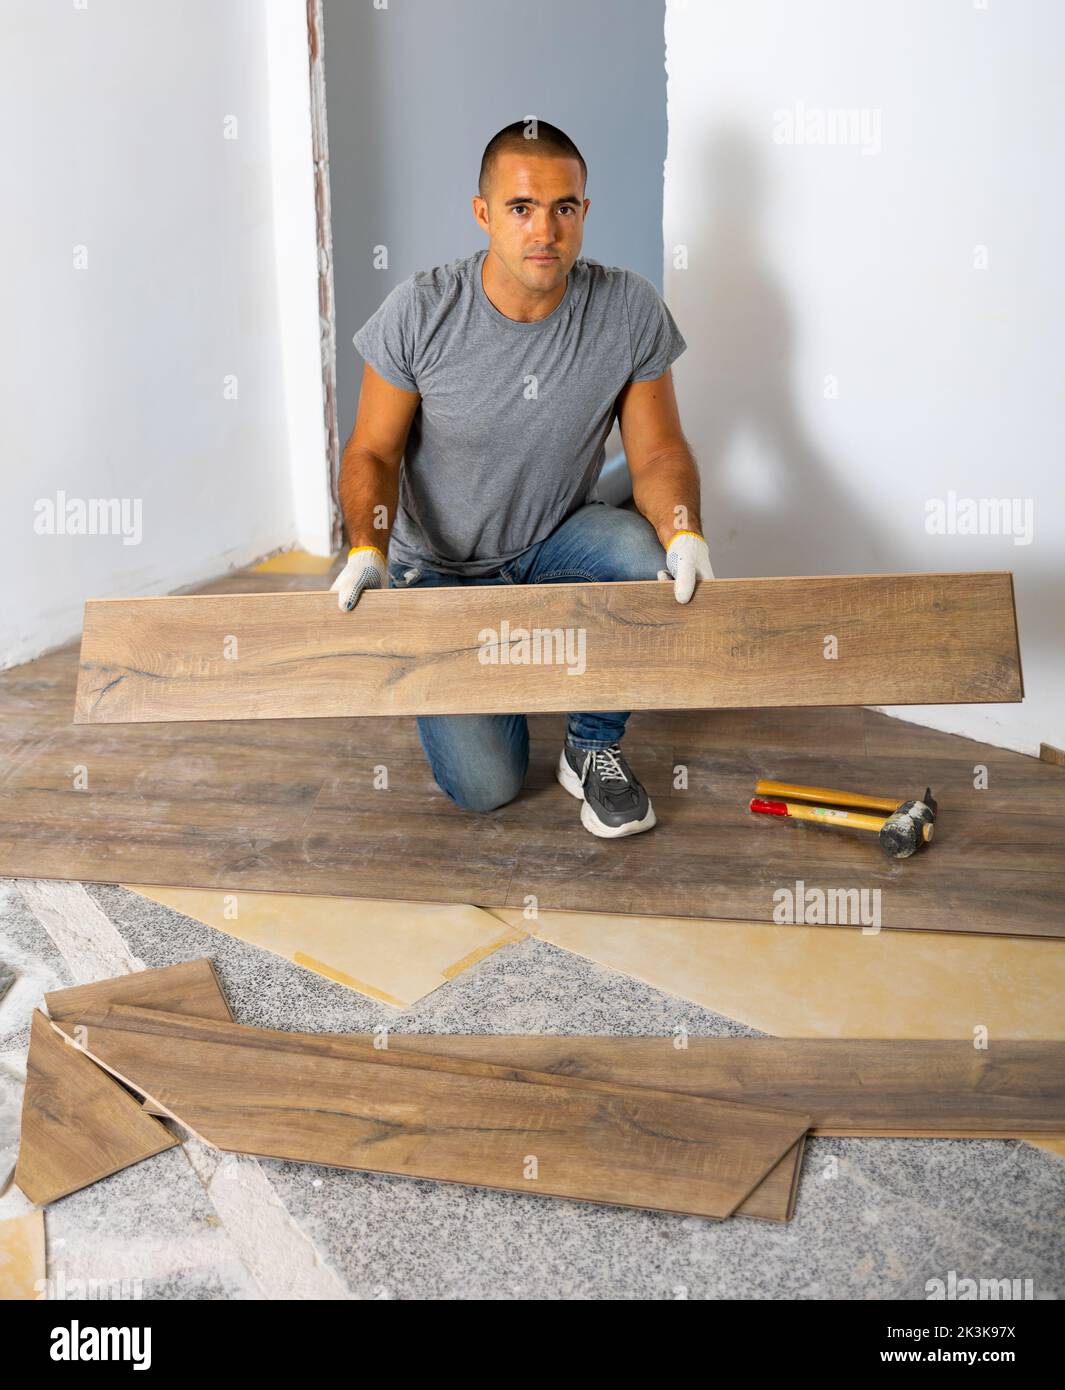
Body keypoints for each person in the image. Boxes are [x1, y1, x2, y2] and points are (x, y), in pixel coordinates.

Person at [331, 119, 713, 838]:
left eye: (563, 207)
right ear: (483, 214)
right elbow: (372, 453)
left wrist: (684, 531)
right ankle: (481, 689)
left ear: (583, 213)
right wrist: (366, 548)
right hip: (440, 568)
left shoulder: (626, 309)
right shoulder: (419, 312)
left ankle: (592, 745)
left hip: (553, 540)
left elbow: (658, 453)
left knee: (640, 555)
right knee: (486, 788)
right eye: (521, 208)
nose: (545, 230)